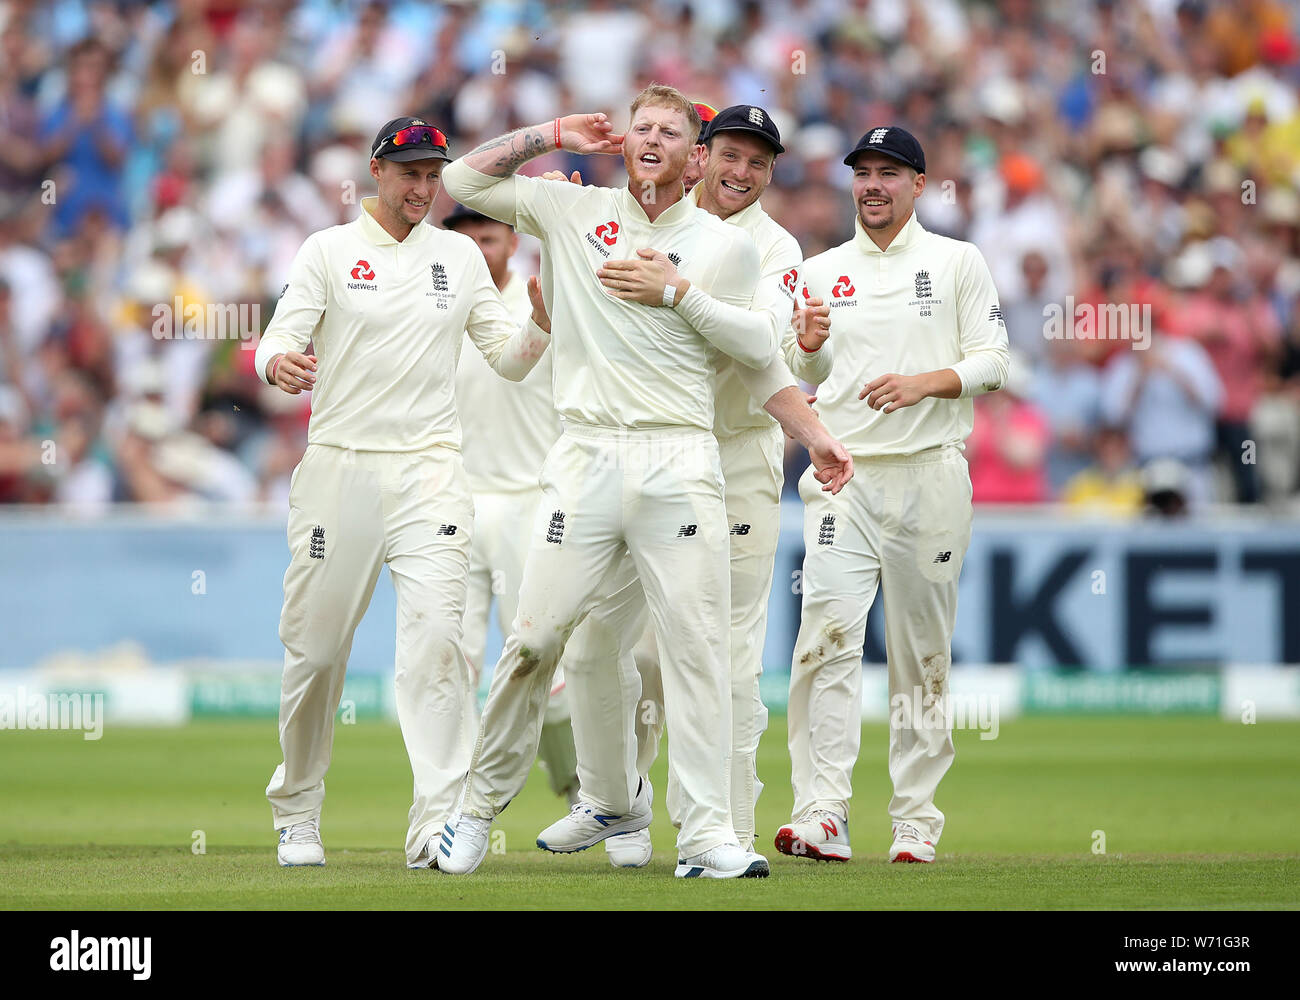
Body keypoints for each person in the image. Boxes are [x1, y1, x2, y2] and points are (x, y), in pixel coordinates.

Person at [437, 85, 852, 879]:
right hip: (586, 456)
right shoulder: (571, 212)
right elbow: (462, 183)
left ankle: (704, 839)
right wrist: (551, 133)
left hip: (683, 459)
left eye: (672, 131)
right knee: (535, 642)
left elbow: (763, 350)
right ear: (624, 144)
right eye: (642, 129)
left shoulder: (724, 248)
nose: (654, 140)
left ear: (692, 156)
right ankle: (475, 812)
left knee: (696, 654)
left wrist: (816, 436)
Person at [537, 103, 835, 865]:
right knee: (610, 648)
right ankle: (619, 804)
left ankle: (721, 832)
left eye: (758, 163)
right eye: (729, 156)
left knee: (721, 658)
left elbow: (767, 355)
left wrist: (815, 424)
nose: (741, 173)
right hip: (634, 459)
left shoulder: (770, 247)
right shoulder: (647, 216)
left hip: (730, 462)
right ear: (700, 158)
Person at [255, 117, 551, 869]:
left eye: (433, 176)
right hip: (341, 468)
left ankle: (437, 821)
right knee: (317, 652)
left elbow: (506, 359)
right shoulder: (328, 250)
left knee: (439, 648)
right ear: (378, 173)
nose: (423, 189)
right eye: (410, 174)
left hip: (431, 472)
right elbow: (279, 338)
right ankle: (296, 810)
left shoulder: (458, 254)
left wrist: (541, 328)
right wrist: (279, 365)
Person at [776, 126, 1009, 864]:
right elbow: (797, 366)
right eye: (863, 173)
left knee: (920, 655)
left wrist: (925, 383)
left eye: (888, 173)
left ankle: (914, 818)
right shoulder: (819, 270)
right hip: (845, 475)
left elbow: (996, 361)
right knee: (826, 641)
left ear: (917, 184)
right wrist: (808, 342)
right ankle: (823, 812)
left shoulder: (955, 261)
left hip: (931, 473)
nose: (873, 185)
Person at [445, 201, 579, 806]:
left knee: (538, 656)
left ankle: (578, 786)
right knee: (448, 662)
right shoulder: (436, 307)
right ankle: (448, 803)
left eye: (489, 236)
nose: (478, 247)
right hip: (452, 498)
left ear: (510, 240)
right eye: (467, 237)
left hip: (529, 499)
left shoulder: (542, 301)